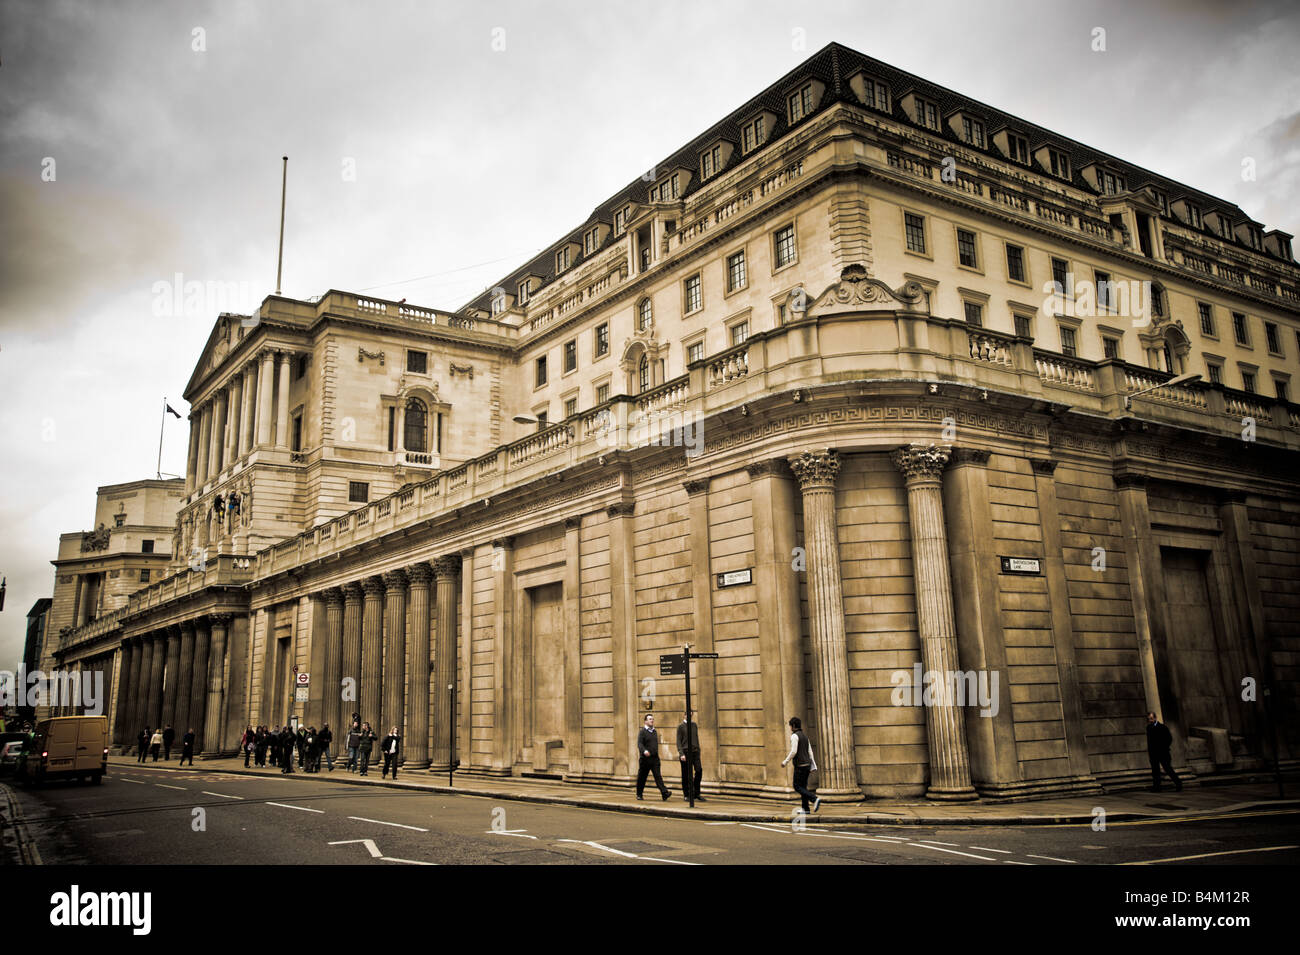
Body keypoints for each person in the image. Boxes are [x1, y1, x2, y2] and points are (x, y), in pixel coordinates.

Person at [781, 716, 820, 813]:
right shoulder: (805, 736)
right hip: (807, 765)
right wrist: (813, 765)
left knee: (797, 786)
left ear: (794, 726)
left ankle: (814, 798)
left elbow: (793, 751)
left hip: (800, 765)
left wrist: (785, 761)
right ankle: (805, 809)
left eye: (790, 726)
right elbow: (810, 751)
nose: (790, 728)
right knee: (803, 787)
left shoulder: (794, 736)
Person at [635, 714, 671, 801]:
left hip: (655, 758)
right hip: (645, 759)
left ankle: (664, 793)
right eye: (650, 719)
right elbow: (639, 744)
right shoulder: (642, 732)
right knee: (642, 777)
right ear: (645, 721)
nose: (652, 720)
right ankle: (639, 794)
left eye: (652, 719)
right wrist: (644, 751)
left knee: (658, 776)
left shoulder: (654, 731)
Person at [1146, 712, 1182, 792]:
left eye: (1151, 719)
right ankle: (1157, 788)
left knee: (1168, 769)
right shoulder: (1148, 728)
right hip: (1153, 754)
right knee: (1155, 771)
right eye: (1148, 719)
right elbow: (1149, 742)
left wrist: (1163, 748)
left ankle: (1178, 783)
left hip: (1163, 753)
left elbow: (1169, 739)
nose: (1150, 720)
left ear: (1155, 718)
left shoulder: (1163, 727)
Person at [676, 709, 705, 802]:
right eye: (688, 715)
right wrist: (681, 754)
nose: (689, 717)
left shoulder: (694, 725)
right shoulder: (680, 727)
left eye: (691, 715)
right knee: (686, 775)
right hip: (685, 752)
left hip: (695, 752)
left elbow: (696, 738)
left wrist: (698, 750)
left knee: (699, 770)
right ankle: (687, 794)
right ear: (684, 715)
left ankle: (697, 793)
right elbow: (678, 741)